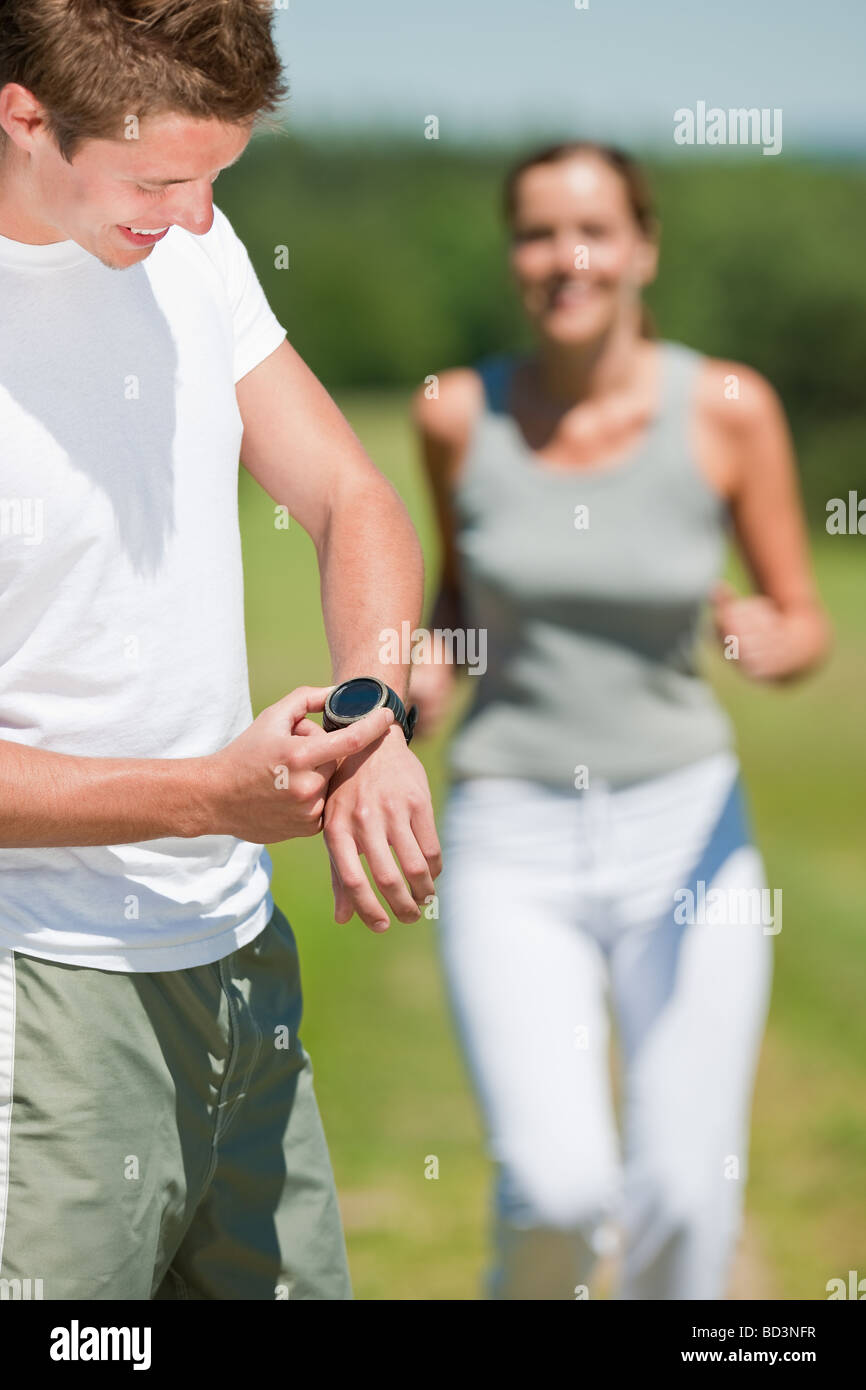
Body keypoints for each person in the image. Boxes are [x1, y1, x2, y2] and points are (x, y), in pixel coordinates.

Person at [0, 0, 440, 1301]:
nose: (194, 217)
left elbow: (349, 495)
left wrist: (372, 716)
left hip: (241, 969)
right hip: (48, 998)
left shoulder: (184, 240)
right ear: (24, 118)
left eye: (216, 180)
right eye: (160, 180)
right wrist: (209, 795)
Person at [410, 139, 830, 1300]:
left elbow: (803, 621)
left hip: (685, 832)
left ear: (642, 248)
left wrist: (763, 639)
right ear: (513, 256)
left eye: (593, 230)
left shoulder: (730, 408)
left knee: (686, 1199)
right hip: (511, 831)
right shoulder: (454, 414)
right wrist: (430, 657)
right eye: (538, 232)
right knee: (555, 1190)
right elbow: (456, 595)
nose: (566, 257)